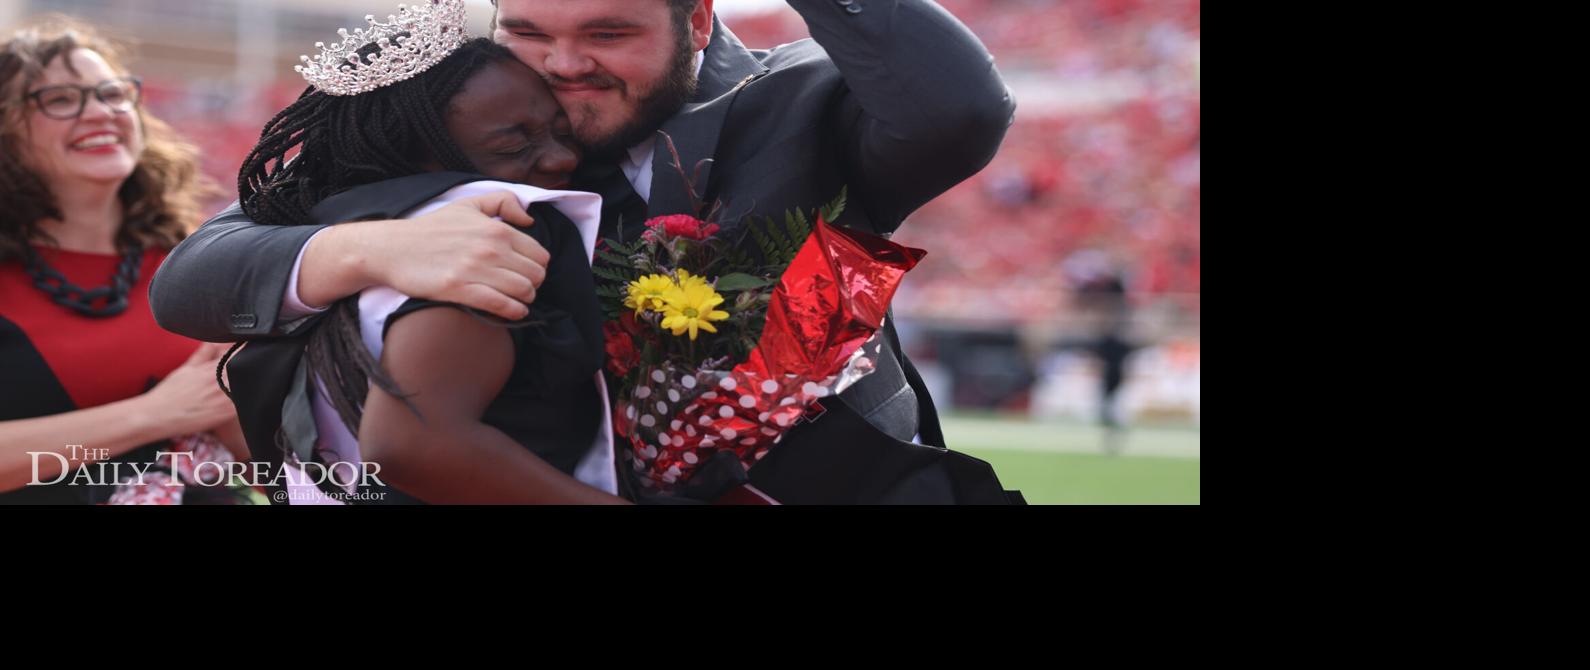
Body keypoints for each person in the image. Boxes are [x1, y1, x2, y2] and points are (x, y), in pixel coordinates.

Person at [152, 0, 1022, 503]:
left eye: (608, 34)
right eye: (530, 30)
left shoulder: (797, 102)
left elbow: (957, 109)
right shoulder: (453, 129)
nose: (564, 65)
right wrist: (376, 249)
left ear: (698, 20)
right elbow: (195, 276)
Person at [225, 2, 625, 505]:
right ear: (415, 156)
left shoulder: (335, 215)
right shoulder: (497, 228)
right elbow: (411, 445)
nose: (562, 157)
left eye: (560, 130)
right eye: (511, 146)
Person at [0, 16, 244, 505]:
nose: (99, 113)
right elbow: (182, 409)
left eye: (112, 94)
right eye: (60, 100)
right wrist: (157, 414)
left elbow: (260, 454)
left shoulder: (198, 261)